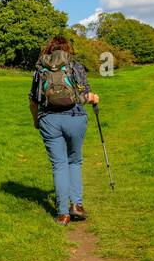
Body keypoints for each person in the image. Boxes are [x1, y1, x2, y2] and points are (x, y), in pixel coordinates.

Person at [28, 36, 100, 226]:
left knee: (59, 165)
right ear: (68, 50)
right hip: (75, 118)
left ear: (49, 50)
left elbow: (33, 100)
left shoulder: (40, 68)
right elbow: (85, 95)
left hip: (49, 120)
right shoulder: (75, 65)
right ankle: (76, 205)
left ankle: (62, 214)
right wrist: (94, 98)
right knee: (74, 161)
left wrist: (37, 121)